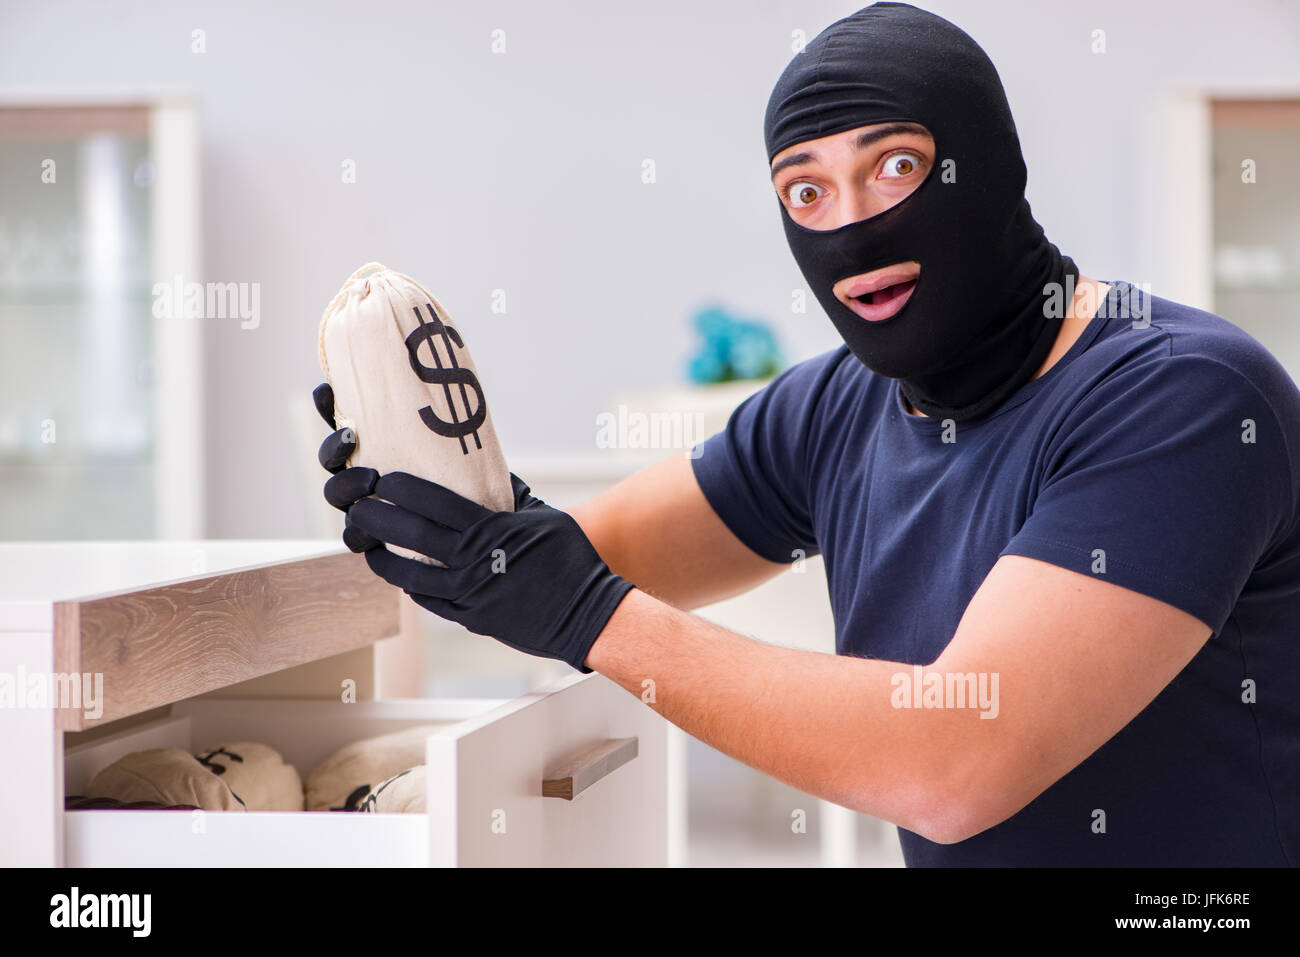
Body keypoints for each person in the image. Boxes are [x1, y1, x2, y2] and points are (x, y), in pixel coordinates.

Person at [313, 2, 1300, 865]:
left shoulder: (1184, 400)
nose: (853, 230)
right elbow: (577, 561)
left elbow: (954, 763)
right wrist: (446, 497)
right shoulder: (837, 407)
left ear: (987, 165)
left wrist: (587, 612)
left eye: (896, 167)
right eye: (807, 192)